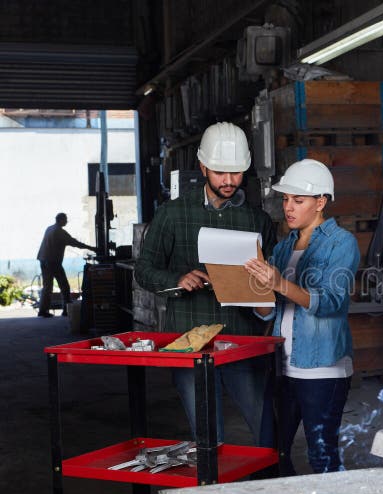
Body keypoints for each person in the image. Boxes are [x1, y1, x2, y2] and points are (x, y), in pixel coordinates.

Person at [135, 122, 276, 447]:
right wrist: (176, 279)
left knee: (267, 428)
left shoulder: (257, 220)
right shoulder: (171, 215)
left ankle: (275, 488)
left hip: (241, 339)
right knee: (208, 436)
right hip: (189, 340)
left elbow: (271, 279)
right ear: (202, 167)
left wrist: (261, 292)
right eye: (220, 172)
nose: (229, 181)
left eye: (237, 173)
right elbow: (143, 269)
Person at [244, 158, 360, 475]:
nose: (289, 207)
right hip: (284, 365)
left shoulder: (342, 243)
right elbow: (270, 308)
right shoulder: (283, 248)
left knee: (322, 457)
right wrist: (251, 290)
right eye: (285, 199)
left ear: (320, 202)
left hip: (323, 370)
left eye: (298, 200)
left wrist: (279, 283)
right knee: (274, 454)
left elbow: (331, 302)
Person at [36, 213, 96, 318]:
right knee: (64, 286)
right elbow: (74, 242)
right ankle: (66, 310)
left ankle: (42, 311)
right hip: (53, 261)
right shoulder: (59, 232)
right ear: (61, 220)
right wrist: (92, 248)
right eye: (66, 220)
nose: (67, 221)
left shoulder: (49, 228)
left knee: (47, 286)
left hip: (43, 259)